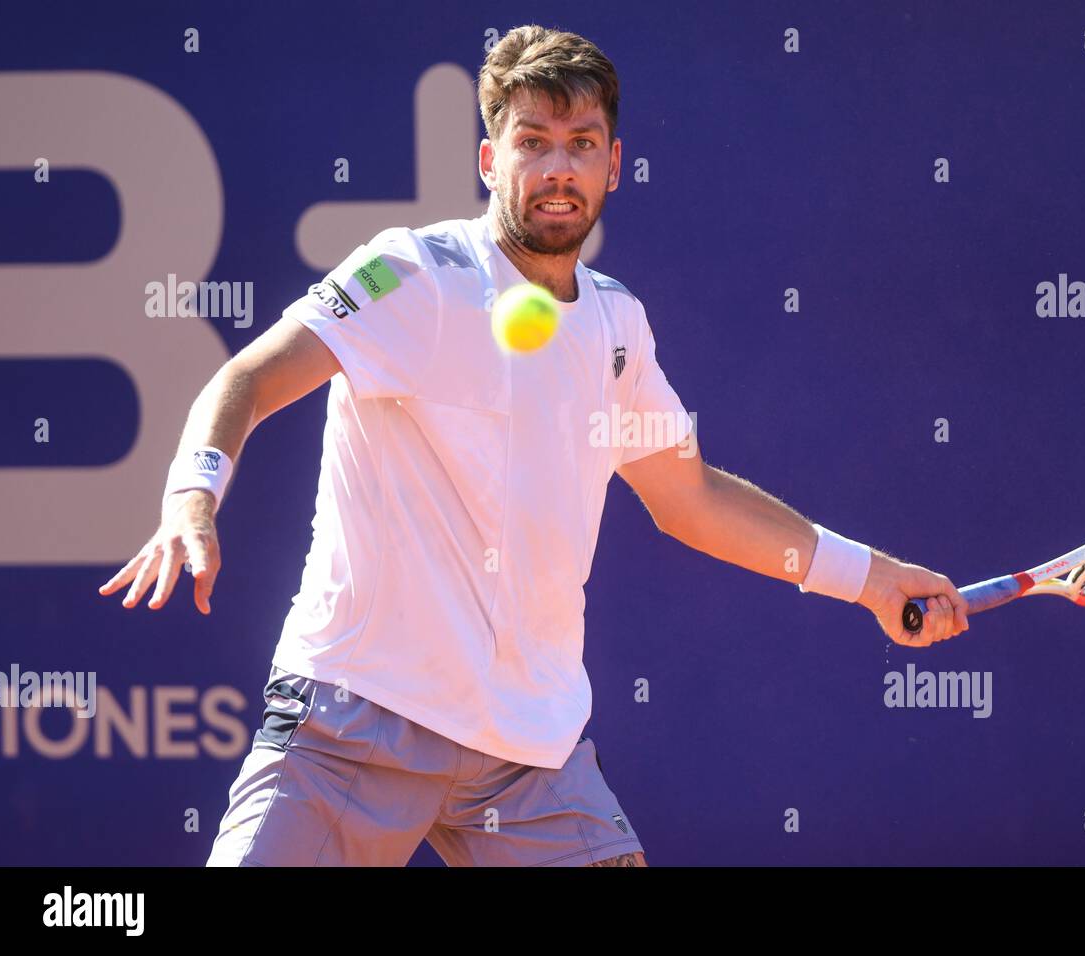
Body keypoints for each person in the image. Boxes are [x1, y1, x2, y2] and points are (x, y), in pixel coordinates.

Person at [99, 24, 968, 867]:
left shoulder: (617, 324)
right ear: (490, 161)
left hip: (526, 764)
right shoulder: (413, 275)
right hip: (355, 722)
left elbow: (690, 498)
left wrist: (874, 579)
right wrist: (191, 497)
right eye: (532, 142)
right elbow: (247, 380)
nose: (558, 169)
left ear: (614, 166)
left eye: (582, 143)